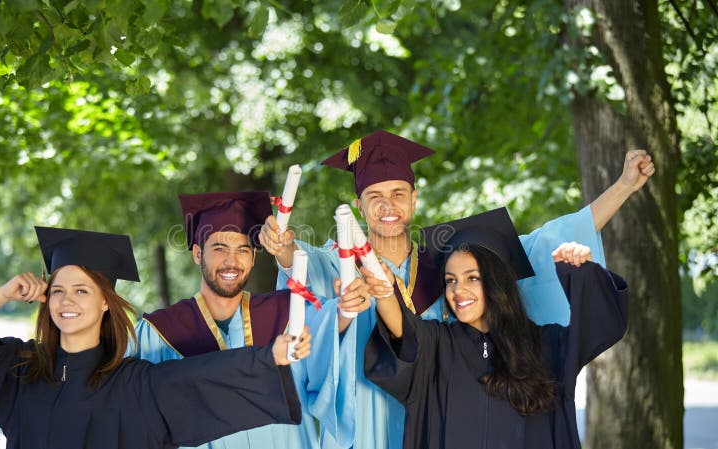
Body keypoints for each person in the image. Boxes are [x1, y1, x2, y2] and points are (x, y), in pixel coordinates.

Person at [259, 129, 653, 449]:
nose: (388, 206)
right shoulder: (339, 262)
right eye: (374, 197)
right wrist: (283, 248)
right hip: (366, 426)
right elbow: (296, 261)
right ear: (358, 205)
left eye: (398, 193)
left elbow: (546, 244)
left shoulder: (448, 264)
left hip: (438, 426)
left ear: (414, 197)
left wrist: (623, 187)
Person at [0, 226, 308, 449]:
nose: (67, 301)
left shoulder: (133, 384)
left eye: (82, 291)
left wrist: (269, 356)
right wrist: (1, 294)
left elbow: (202, 377)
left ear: (105, 303)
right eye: (58, 290)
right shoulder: (20, 368)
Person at [363, 207, 629, 449]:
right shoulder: (438, 345)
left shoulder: (547, 345)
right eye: (450, 280)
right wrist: (386, 293)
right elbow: (401, 330)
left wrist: (583, 272)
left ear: (497, 282)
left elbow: (603, 326)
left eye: (472, 278)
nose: (458, 290)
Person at [129, 191, 363, 449]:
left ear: (253, 257)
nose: (232, 261)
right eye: (219, 248)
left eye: (243, 249)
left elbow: (326, 328)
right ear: (197, 253)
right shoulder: (158, 332)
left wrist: (346, 310)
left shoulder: (285, 311)